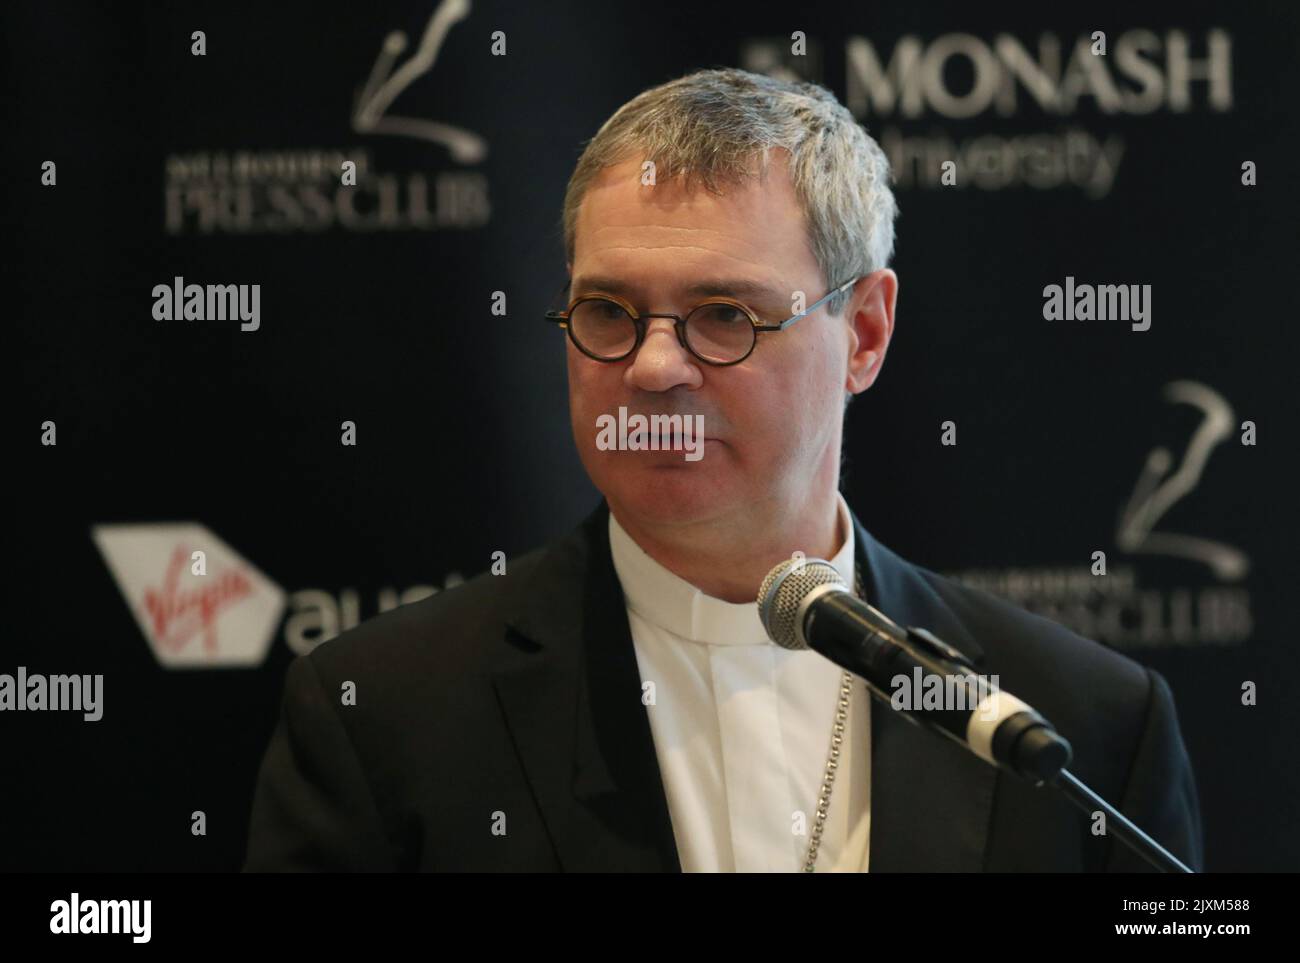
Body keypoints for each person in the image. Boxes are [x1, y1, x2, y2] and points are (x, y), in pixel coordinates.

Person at [243, 67, 1202, 872]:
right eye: (610, 311)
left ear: (863, 332)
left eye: (725, 315)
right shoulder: (383, 717)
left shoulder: (1078, 726)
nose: (654, 368)